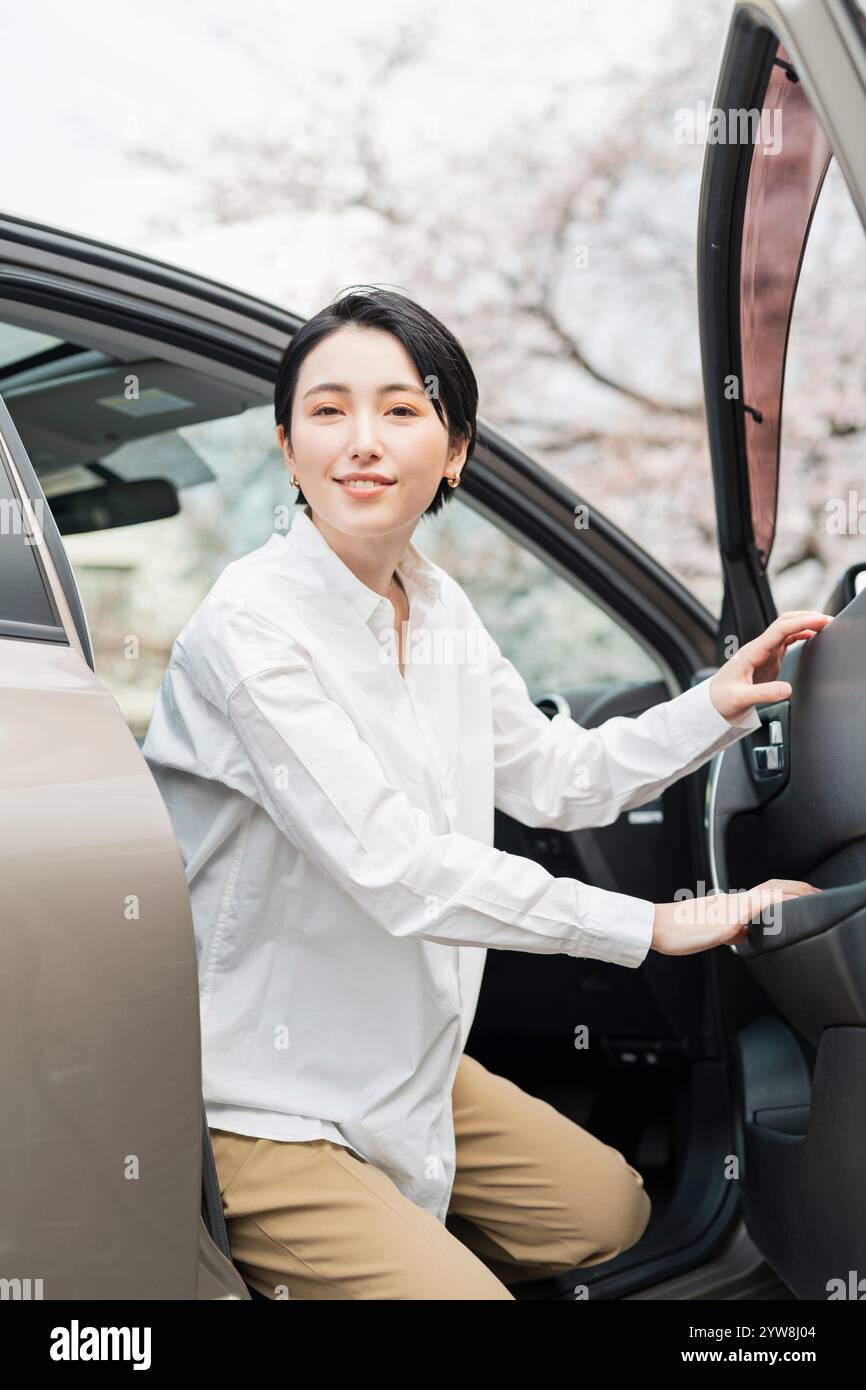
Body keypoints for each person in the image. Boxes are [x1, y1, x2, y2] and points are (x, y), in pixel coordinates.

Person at [141, 284, 827, 1300]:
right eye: (327, 411)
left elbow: (555, 776)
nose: (361, 440)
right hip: (258, 1097)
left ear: (453, 450)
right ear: (286, 446)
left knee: (614, 1215)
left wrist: (713, 706)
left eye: (401, 409)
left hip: (400, 1058)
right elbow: (401, 871)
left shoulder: (440, 604)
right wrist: (653, 924)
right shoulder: (250, 629)